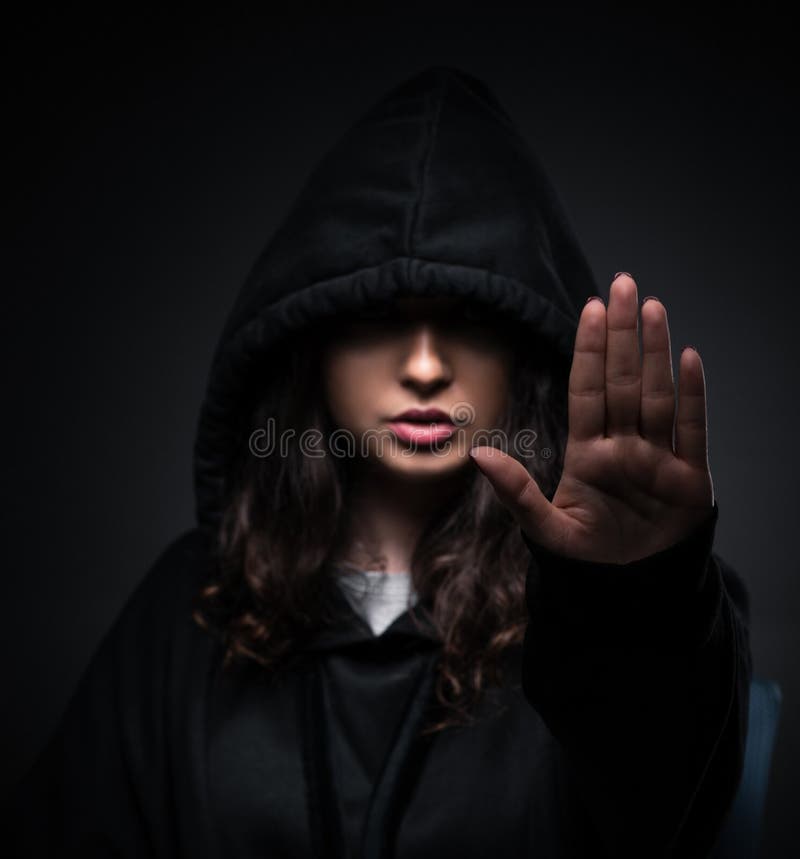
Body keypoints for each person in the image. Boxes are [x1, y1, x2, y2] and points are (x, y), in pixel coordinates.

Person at [3, 65, 751, 858]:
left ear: (523, 352)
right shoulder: (187, 609)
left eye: (466, 319)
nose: (424, 365)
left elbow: (666, 814)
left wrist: (629, 601)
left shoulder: (631, 608)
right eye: (379, 319)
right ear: (311, 342)